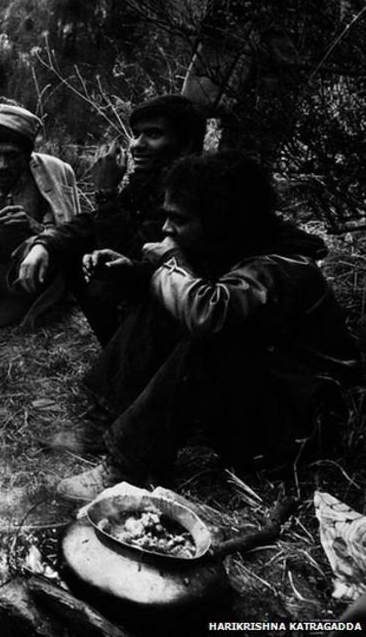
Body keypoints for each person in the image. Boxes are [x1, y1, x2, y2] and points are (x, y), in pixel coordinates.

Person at [56, 152, 362, 501]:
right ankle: (106, 420)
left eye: (179, 220)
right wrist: (134, 273)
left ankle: (125, 467)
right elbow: (198, 292)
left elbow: (210, 315)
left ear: (223, 223)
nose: (167, 229)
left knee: (211, 339)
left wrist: (169, 264)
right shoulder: (237, 247)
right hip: (272, 397)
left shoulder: (283, 268)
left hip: (303, 427)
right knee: (166, 299)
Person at [17, 94, 206, 344]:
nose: (136, 145)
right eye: (136, 134)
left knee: (102, 282)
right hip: (152, 299)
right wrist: (45, 243)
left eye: (153, 134)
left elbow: (131, 254)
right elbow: (89, 223)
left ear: (186, 144)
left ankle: (127, 360)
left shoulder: (191, 190)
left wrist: (106, 193)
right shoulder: (148, 180)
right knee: (61, 250)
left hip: (177, 309)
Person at [0, 103, 80, 326]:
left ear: (28, 156)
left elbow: (70, 235)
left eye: (12, 156)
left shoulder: (54, 175)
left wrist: (33, 228)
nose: (2, 165)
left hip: (33, 270)